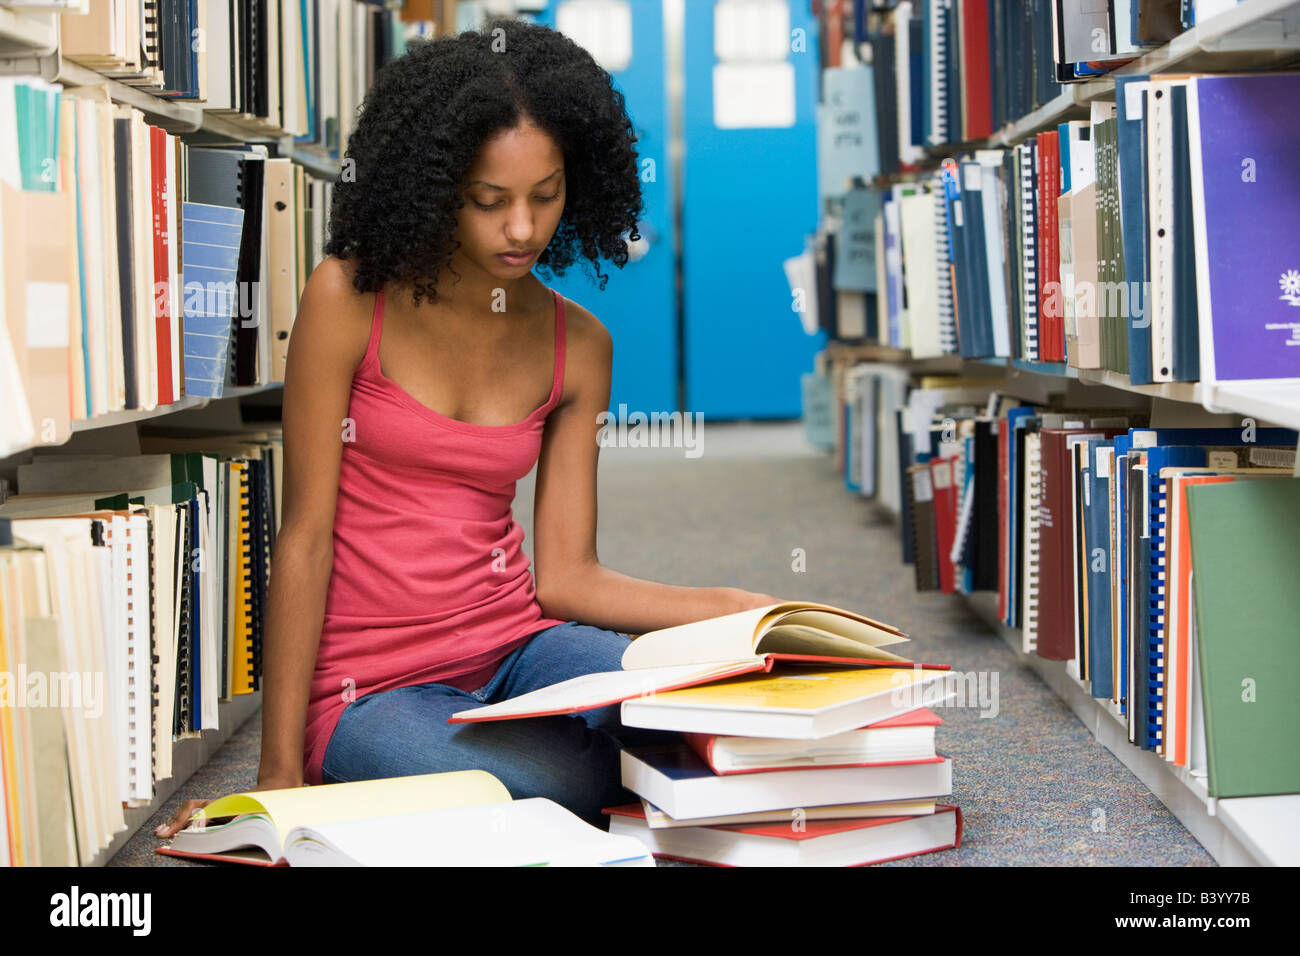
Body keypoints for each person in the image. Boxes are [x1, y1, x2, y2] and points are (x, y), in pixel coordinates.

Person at [156, 18, 779, 840]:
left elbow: (567, 577)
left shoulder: (580, 346)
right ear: (438, 183)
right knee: (551, 778)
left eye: (545, 196)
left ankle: (586, 760)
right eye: (490, 201)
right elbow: (303, 536)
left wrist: (727, 610)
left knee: (705, 703)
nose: (521, 229)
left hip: (521, 649)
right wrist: (277, 781)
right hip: (369, 688)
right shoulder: (348, 300)